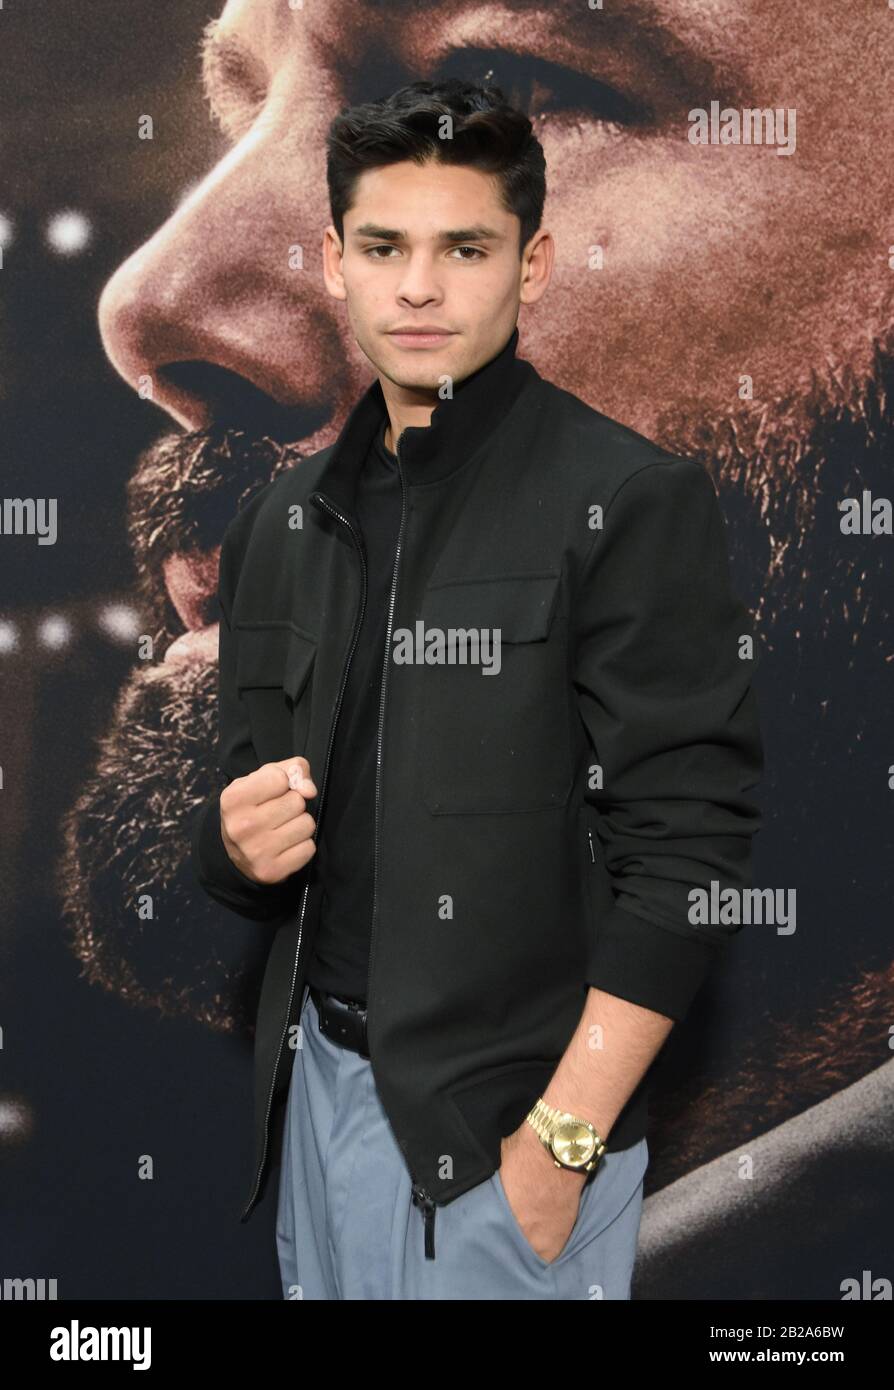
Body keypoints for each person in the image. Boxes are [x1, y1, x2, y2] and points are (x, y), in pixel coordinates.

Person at [188, 78, 763, 1300]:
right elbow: (249, 828)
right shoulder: (279, 523)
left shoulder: (628, 498)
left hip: (509, 1137)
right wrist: (235, 847)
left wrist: (560, 1146)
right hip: (313, 1108)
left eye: (465, 248)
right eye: (385, 247)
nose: (418, 287)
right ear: (335, 262)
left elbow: (690, 855)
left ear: (533, 264)